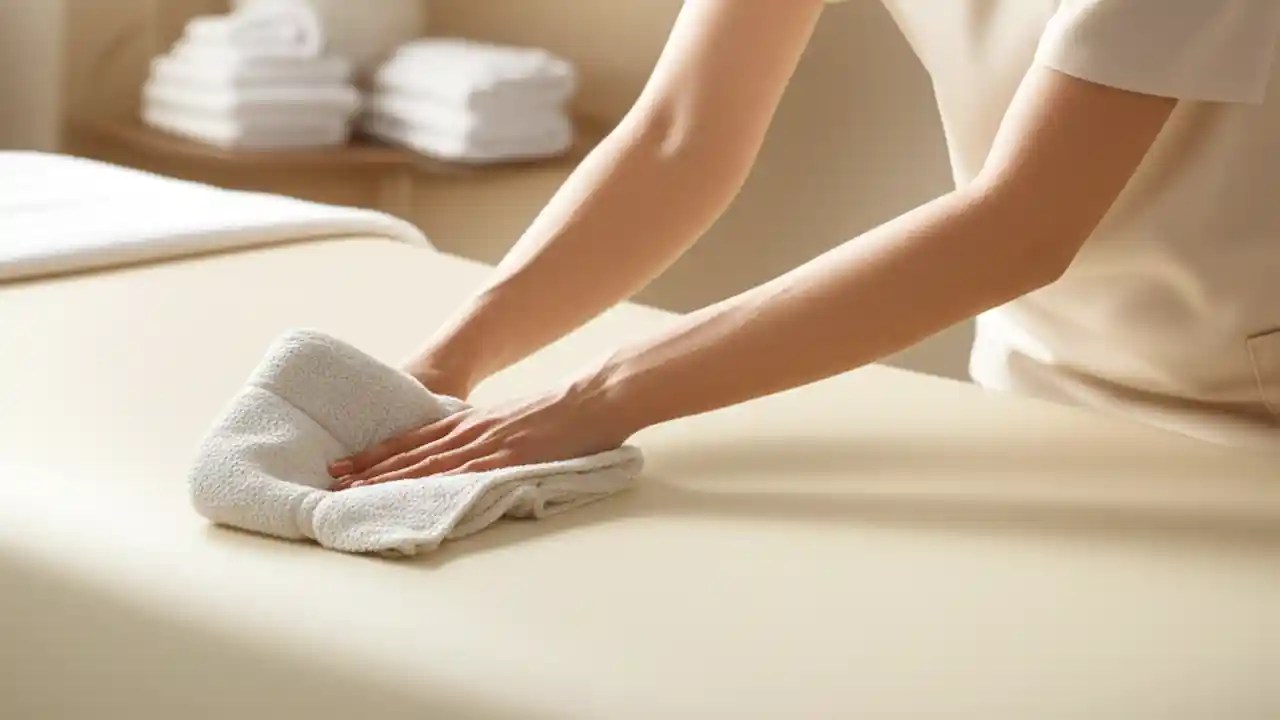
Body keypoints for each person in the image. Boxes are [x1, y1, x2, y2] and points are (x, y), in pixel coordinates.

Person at [329, 0, 1280, 490]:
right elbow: (680, 136)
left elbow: (1021, 227)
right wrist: (444, 364)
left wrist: (599, 397)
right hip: (1036, 393)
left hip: (1249, 424)